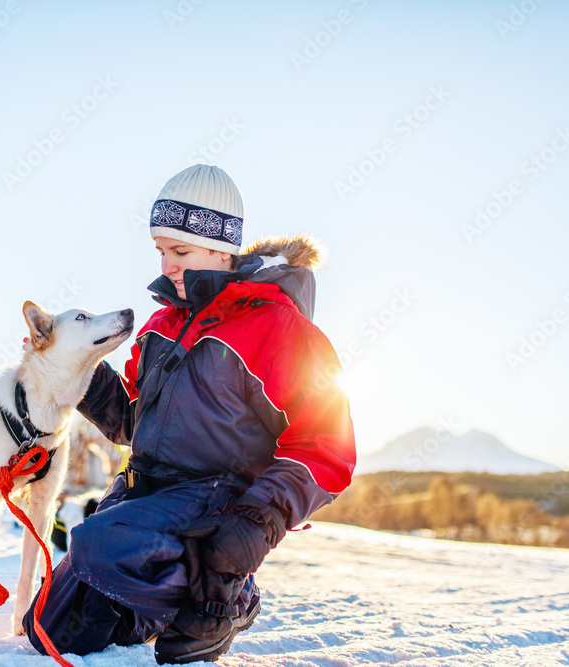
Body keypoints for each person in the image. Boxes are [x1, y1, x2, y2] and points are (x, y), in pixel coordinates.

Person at [23, 164, 356, 663]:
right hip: (146, 493)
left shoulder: (276, 327)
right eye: (160, 251)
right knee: (47, 626)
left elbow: (328, 447)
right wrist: (76, 370)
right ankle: (155, 612)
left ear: (223, 249)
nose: (167, 264)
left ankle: (228, 595)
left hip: (219, 500)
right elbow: (132, 423)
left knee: (95, 543)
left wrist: (257, 520)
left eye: (179, 251)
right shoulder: (162, 324)